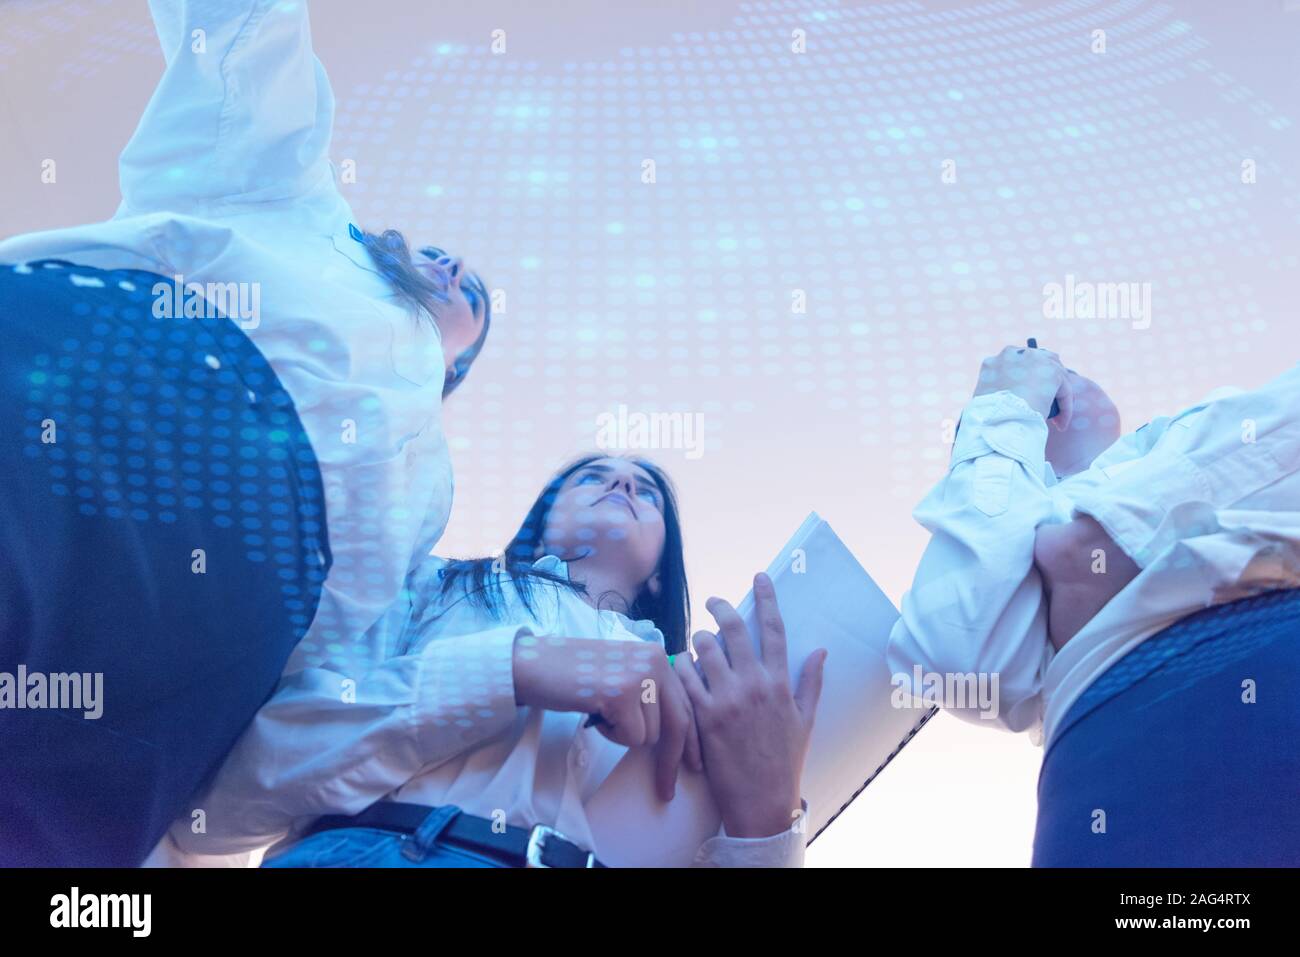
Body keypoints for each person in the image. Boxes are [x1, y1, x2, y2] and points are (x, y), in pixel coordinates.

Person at [0, 0, 488, 865]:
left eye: (473, 295)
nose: (452, 268)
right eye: (449, 253)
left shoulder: (430, 498)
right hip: (85, 402)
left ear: (461, 367)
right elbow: (247, 33)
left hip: (187, 659)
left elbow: (330, 688)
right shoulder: (299, 202)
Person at [158, 455, 825, 867]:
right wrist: (515, 669)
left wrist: (769, 825)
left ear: (660, 569)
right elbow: (224, 805)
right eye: (593, 475)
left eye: (646, 489)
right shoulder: (426, 583)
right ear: (539, 523)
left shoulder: (704, 692)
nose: (623, 479)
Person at [886, 345, 1300, 864]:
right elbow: (959, 657)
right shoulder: (1064, 526)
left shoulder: (1249, 413)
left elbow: (1080, 555)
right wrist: (1007, 410)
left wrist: (1008, 425)